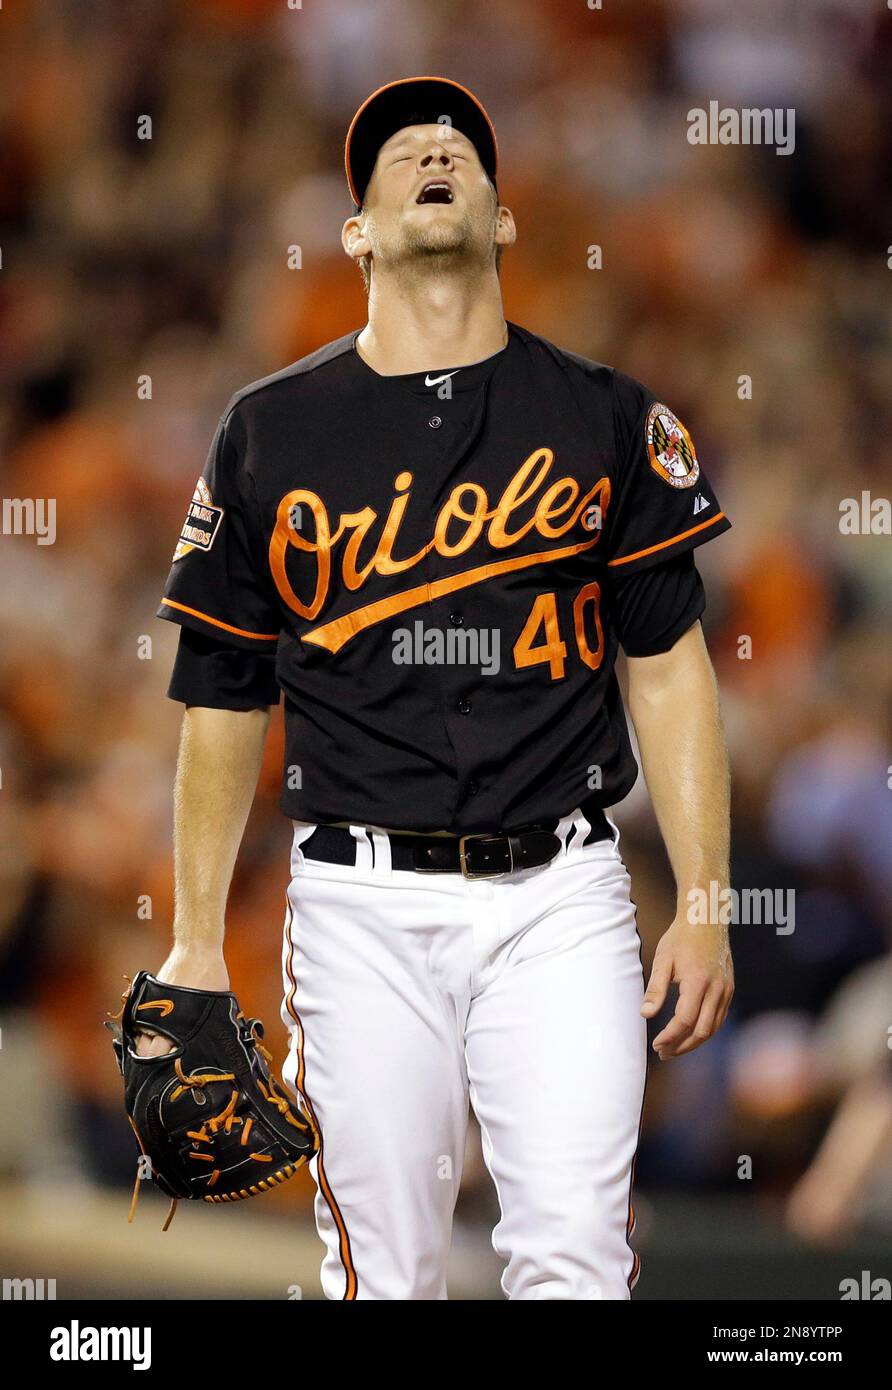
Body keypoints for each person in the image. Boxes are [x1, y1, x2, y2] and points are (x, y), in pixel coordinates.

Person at [140, 76, 734, 1301]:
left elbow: (667, 662)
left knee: (575, 1258)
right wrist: (196, 938)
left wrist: (707, 895)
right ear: (356, 232)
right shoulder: (269, 432)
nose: (432, 155)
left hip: (563, 895)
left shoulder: (604, 415)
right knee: (389, 1277)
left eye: (456, 147)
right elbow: (221, 689)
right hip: (360, 907)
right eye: (400, 154)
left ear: (504, 219)